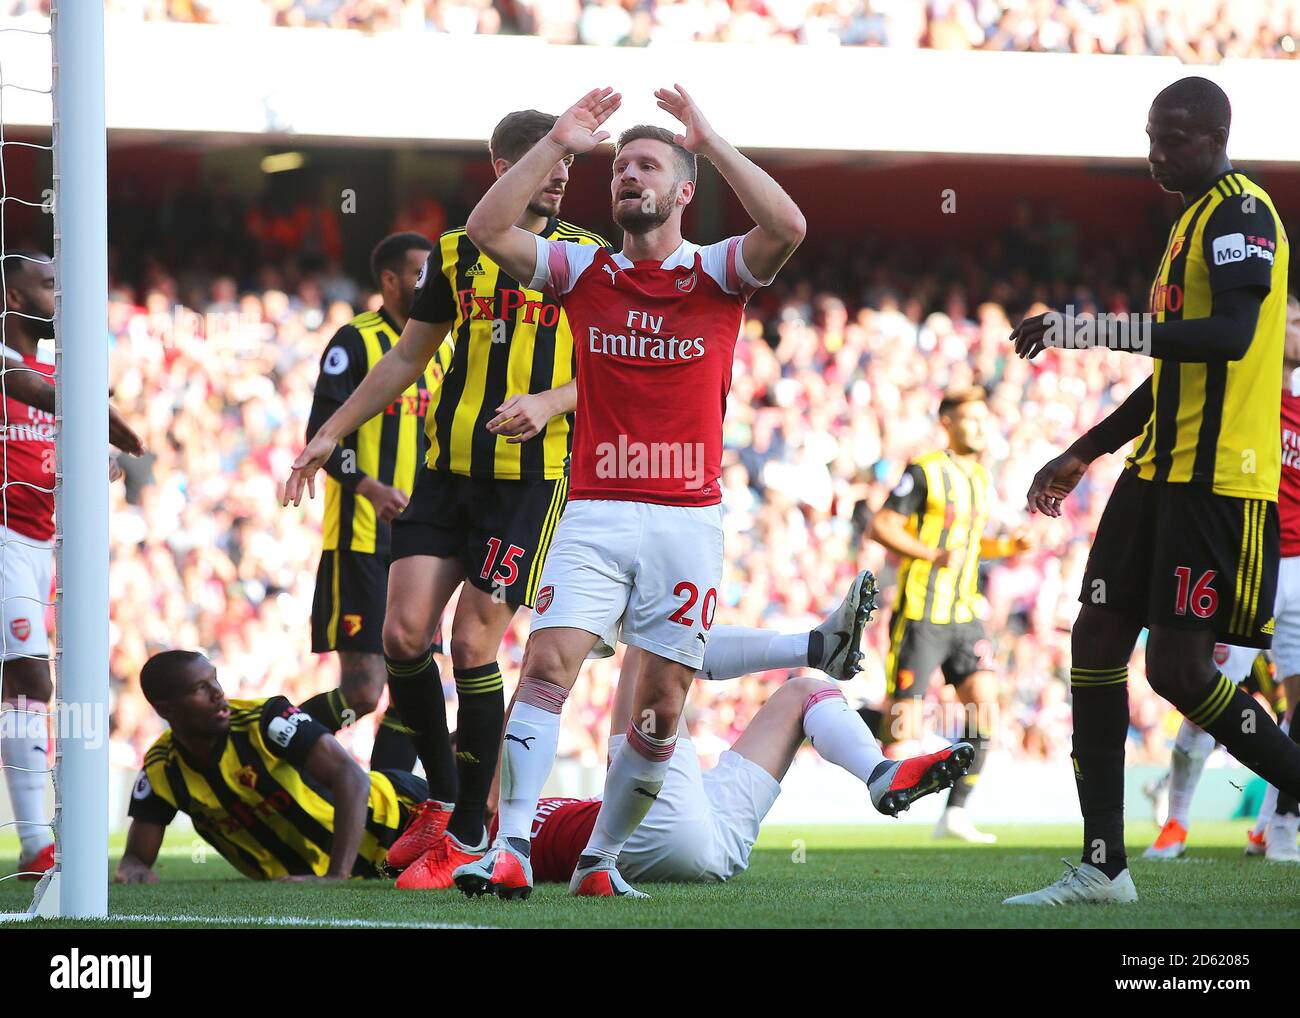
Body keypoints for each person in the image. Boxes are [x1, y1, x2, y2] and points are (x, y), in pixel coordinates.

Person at [451, 84, 807, 900]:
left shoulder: (718, 272)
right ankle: (506, 849)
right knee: (547, 660)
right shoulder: (583, 269)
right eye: (618, 167)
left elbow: (789, 228)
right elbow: (485, 230)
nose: (627, 176)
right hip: (597, 508)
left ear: (684, 190)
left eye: (647, 165)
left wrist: (711, 142)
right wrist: (558, 146)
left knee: (660, 708)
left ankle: (599, 862)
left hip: (689, 517)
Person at [284, 110, 607, 890]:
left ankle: (466, 834)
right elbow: (409, 354)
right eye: (543, 157)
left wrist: (553, 402)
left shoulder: (590, 257)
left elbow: (612, 368)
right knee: (401, 636)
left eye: (569, 161)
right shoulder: (460, 253)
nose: (559, 173)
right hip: (447, 470)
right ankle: (446, 801)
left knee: (472, 645)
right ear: (503, 165)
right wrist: (331, 431)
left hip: (528, 481)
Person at [1005, 77, 1293, 905]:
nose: (1156, 153)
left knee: (1176, 669)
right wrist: (1085, 450)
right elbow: (1174, 370)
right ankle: (1104, 865)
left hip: (1217, 486)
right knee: (1093, 643)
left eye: (1174, 138)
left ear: (1215, 135)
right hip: (1155, 475)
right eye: (1151, 136)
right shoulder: (1186, 228)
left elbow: (1231, 338)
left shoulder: (1242, 214)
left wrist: (1089, 328)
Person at [481, 636, 973, 891]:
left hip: (709, 841)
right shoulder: (483, 829)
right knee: (652, 646)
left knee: (806, 691)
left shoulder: (518, 812)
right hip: (645, 835)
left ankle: (879, 773)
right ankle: (812, 642)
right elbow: (506, 749)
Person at [1144, 294, 1300, 863]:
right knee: (1207, 698)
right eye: (1291, 321)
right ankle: (1176, 821)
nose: (1296, 331)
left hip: (1299, 572)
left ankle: (1275, 825)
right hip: (1250, 561)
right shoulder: (1242, 393)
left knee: (1298, 706)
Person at [0, 251, 139, 880]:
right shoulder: (14, 366)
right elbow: (35, 392)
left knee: (23, 686)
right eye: (50, 285)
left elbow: (65, 433)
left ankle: (38, 843)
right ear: (17, 298)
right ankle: (36, 847)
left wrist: (100, 455)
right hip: (3, 538)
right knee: (34, 679)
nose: (62, 295)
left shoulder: (55, 367)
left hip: (44, 545)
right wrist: (97, 412)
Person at [298, 232, 447, 771]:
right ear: (389, 280)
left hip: (424, 546)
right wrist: (370, 487)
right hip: (360, 541)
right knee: (363, 693)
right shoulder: (354, 342)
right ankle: (274, 740)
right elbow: (321, 435)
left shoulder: (444, 345)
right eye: (419, 272)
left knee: (415, 687)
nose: (430, 281)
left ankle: (391, 808)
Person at [869, 386, 1029, 844]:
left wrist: (1008, 548)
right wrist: (929, 554)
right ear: (948, 424)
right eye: (971, 419)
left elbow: (971, 548)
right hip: (921, 614)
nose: (980, 427)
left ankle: (955, 814)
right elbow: (881, 525)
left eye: (984, 419)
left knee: (985, 707)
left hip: (964, 617)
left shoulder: (980, 477)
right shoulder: (924, 472)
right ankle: (843, 736)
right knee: (902, 725)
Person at [115, 650, 428, 883]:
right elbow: (135, 858)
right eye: (200, 687)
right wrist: (133, 868)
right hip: (354, 874)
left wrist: (336, 875)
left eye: (215, 679)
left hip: (402, 820)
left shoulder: (266, 719)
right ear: (166, 709)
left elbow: (352, 777)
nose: (218, 692)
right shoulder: (162, 769)